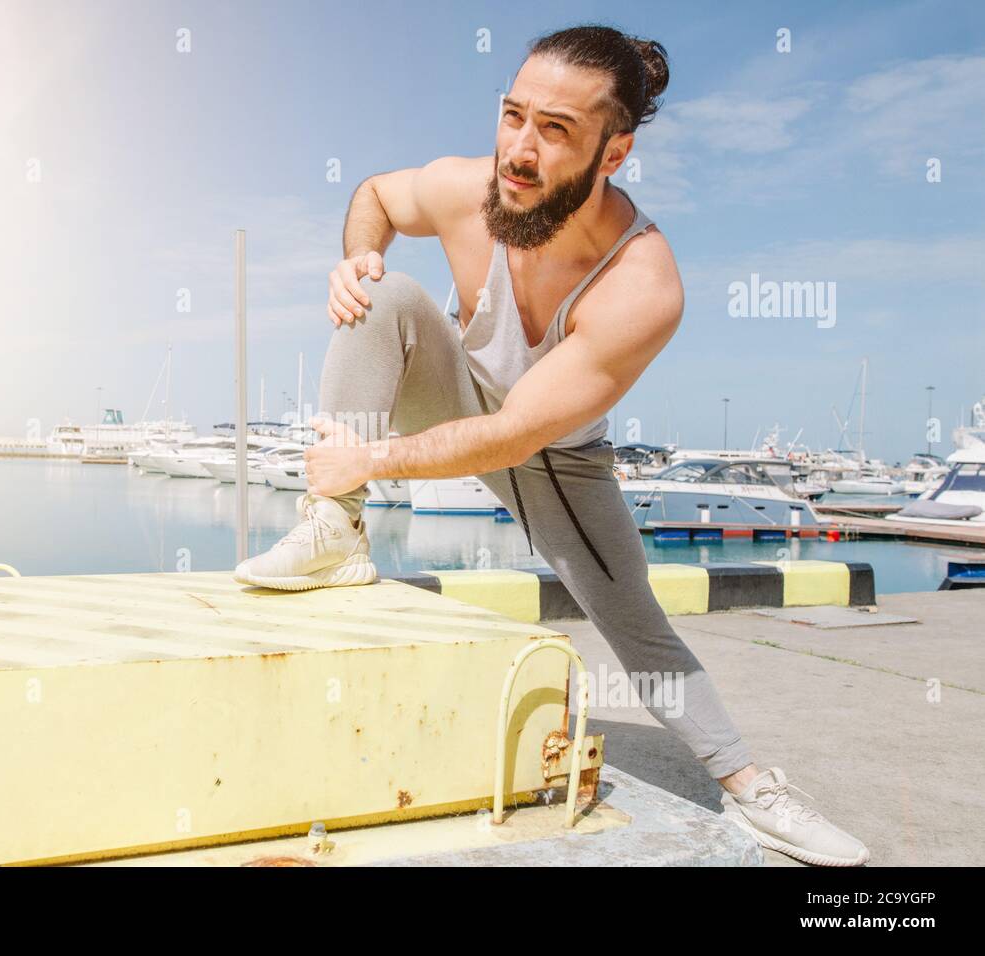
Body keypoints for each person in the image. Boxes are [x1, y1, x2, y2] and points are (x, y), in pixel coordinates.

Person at [233, 24, 869, 867]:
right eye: (512, 116)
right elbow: (378, 197)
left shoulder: (643, 283)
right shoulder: (468, 190)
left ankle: (752, 786)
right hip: (458, 398)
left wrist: (371, 458)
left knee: (633, 620)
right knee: (384, 298)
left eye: (557, 130)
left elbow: (511, 436)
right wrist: (355, 259)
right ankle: (334, 530)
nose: (520, 151)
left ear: (615, 154)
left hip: (556, 459)